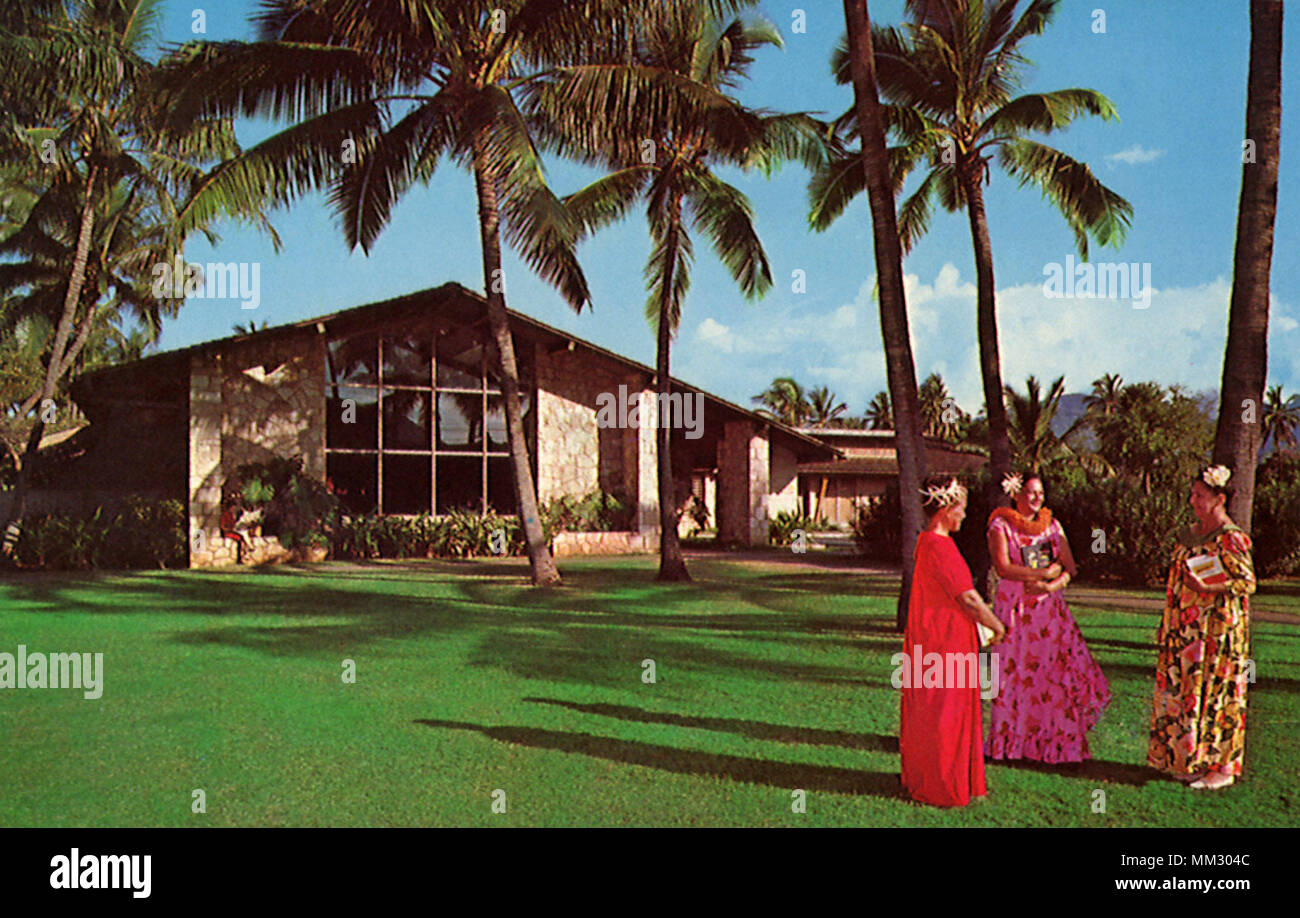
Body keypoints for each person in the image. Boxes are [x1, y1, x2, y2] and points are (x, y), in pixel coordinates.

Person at [985, 472, 1110, 763]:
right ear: (1016, 494)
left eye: (1040, 492)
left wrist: (1051, 585)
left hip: (1046, 612)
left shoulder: (1052, 526)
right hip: (1014, 609)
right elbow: (1003, 567)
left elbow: (1069, 567)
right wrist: (1042, 573)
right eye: (1030, 492)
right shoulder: (1000, 525)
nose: (1037, 498)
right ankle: (1010, 744)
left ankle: (1053, 745)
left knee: (1050, 675)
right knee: (1012, 675)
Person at [900, 476, 1006, 807]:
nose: (964, 515)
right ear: (945, 508)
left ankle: (930, 776)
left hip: (934, 639)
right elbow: (969, 599)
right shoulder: (940, 547)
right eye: (961, 509)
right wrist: (996, 625)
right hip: (945, 644)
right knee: (946, 716)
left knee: (932, 713)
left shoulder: (925, 542)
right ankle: (941, 785)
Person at [1148, 465, 1255, 790]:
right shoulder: (1190, 534)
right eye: (1192, 495)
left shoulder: (1231, 538)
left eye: (1200, 496)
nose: (1192, 501)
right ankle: (1195, 760)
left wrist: (1210, 588)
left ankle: (1222, 768)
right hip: (1186, 628)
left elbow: (1247, 582)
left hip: (1217, 631)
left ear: (1219, 499)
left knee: (1218, 693)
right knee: (1189, 691)